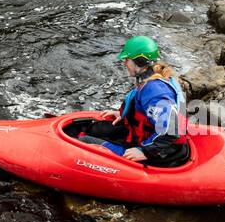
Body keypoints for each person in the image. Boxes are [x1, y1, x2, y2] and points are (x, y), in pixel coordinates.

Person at [77, 36, 190, 167]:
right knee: (96, 130)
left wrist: (145, 152)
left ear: (140, 61)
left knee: (83, 141)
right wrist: (126, 114)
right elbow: (150, 109)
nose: (124, 63)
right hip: (156, 142)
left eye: (127, 59)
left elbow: (171, 129)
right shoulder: (155, 75)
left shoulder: (154, 90)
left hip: (161, 153)